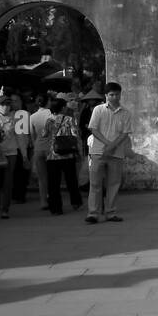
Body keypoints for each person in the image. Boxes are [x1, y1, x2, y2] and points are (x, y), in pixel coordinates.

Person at [87, 82, 131, 224]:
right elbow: (93, 129)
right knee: (95, 184)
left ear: (120, 94)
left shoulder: (126, 113)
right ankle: (93, 213)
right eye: (111, 94)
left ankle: (110, 212)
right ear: (106, 95)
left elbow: (125, 133)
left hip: (116, 153)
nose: (114, 97)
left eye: (117, 94)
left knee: (114, 183)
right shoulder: (98, 110)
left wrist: (112, 146)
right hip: (98, 152)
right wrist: (107, 144)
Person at [41, 93, 83, 215]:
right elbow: (76, 135)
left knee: (53, 183)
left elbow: (44, 134)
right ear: (63, 108)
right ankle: (75, 201)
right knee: (71, 180)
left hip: (53, 154)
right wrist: (79, 152)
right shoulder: (70, 119)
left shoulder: (49, 120)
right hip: (68, 154)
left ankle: (56, 208)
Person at [30, 90, 53, 211]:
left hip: (38, 148)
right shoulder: (52, 115)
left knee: (42, 177)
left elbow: (32, 135)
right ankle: (52, 197)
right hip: (51, 148)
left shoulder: (32, 116)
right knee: (52, 176)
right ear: (48, 102)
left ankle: (43, 201)